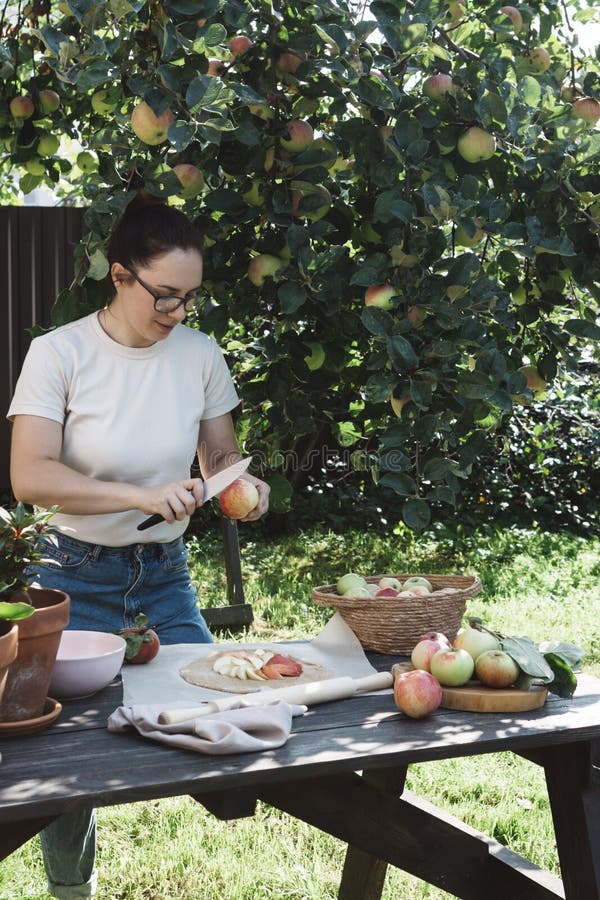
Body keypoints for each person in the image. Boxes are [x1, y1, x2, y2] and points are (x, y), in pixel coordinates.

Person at [7, 199, 270, 900]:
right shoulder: (58, 353)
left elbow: (220, 453)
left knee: (235, 705)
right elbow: (30, 476)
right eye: (165, 296)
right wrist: (143, 495)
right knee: (62, 757)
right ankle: (73, 891)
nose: (178, 312)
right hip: (68, 576)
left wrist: (238, 483)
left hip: (163, 578)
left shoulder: (200, 354)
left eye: (189, 297)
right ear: (120, 276)